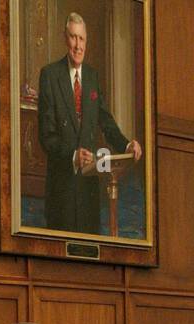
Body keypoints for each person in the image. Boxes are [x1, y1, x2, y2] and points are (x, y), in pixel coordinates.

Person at [36, 12, 143, 234]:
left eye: (82, 39)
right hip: (62, 186)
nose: (78, 45)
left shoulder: (92, 77)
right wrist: (73, 155)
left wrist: (126, 145)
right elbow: (46, 136)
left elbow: (105, 120)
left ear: (87, 41)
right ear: (65, 38)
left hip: (89, 188)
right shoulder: (49, 75)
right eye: (73, 37)